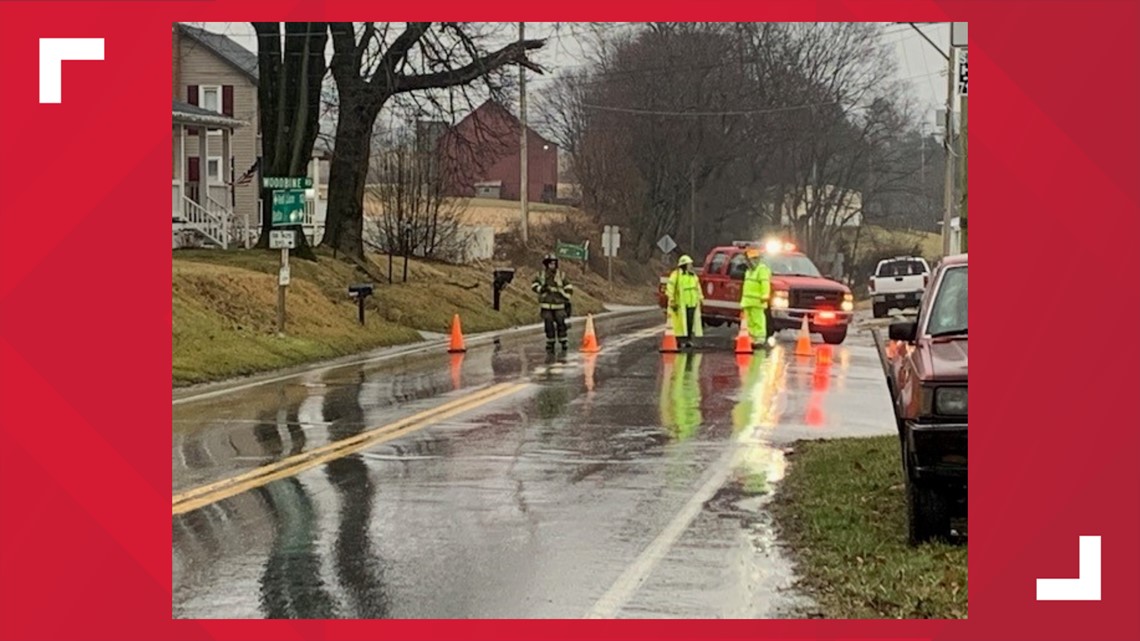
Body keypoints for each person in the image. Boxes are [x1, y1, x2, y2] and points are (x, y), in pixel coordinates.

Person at [532, 253, 574, 353]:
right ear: (546, 265)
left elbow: (569, 288)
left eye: (554, 263)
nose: (553, 266)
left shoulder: (561, 275)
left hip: (559, 305)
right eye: (551, 264)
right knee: (548, 323)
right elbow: (534, 285)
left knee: (561, 322)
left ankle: (563, 340)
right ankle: (550, 342)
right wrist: (542, 289)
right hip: (546, 305)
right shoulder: (540, 275)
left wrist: (565, 295)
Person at [667, 254, 704, 349]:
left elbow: (697, 288)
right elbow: (670, 287)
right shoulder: (676, 275)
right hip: (680, 304)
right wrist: (671, 300)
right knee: (679, 324)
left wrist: (700, 298)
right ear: (684, 265)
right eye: (689, 264)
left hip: (692, 303)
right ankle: (679, 340)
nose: (691, 266)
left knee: (690, 323)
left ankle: (688, 340)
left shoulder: (693, 276)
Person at [740, 248, 772, 349]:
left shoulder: (761, 270)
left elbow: (765, 283)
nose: (747, 262)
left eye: (749, 260)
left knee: (758, 320)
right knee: (750, 321)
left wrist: (765, 295)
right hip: (748, 301)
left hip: (757, 301)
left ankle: (760, 339)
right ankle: (752, 338)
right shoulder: (749, 271)